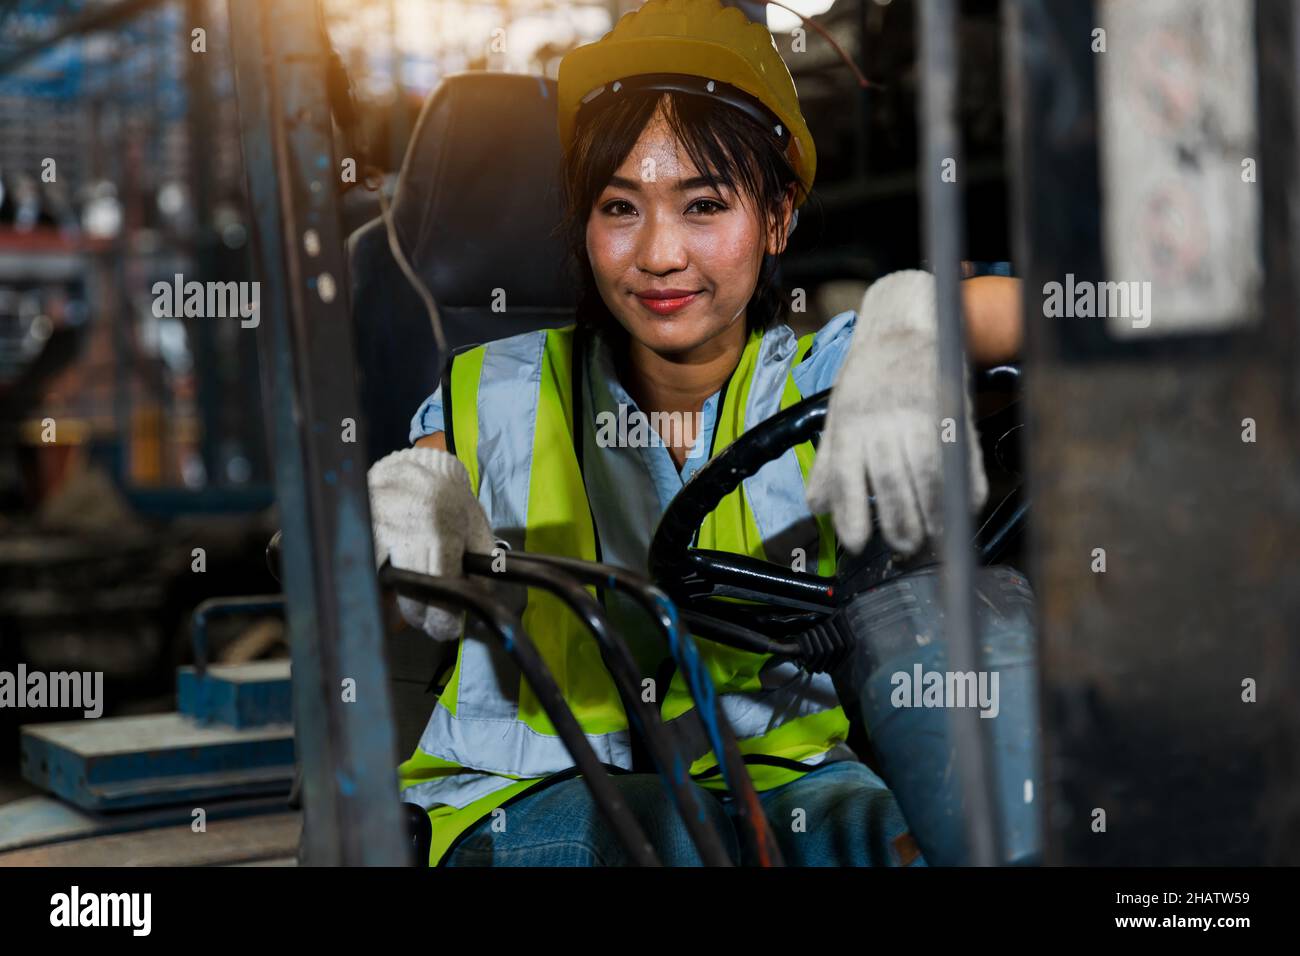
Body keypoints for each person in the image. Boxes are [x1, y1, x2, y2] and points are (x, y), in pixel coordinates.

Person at [368, 0, 1023, 867]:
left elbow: (1042, 311)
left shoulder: (828, 378)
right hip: (524, 791)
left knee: (930, 840)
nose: (661, 254)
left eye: (704, 204)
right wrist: (405, 511)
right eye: (619, 208)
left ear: (779, 217)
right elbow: (391, 575)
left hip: (784, 780)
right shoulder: (500, 386)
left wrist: (924, 318)